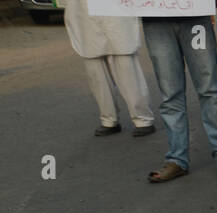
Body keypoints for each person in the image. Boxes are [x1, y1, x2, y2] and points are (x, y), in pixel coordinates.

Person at [140, 14, 217, 181]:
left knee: (209, 91)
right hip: (156, 19)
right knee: (170, 94)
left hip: (195, 16)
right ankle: (177, 159)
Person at [63, 0, 156, 138]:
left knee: (125, 60)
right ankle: (108, 119)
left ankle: (142, 119)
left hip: (115, 9)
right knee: (94, 68)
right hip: (82, 8)